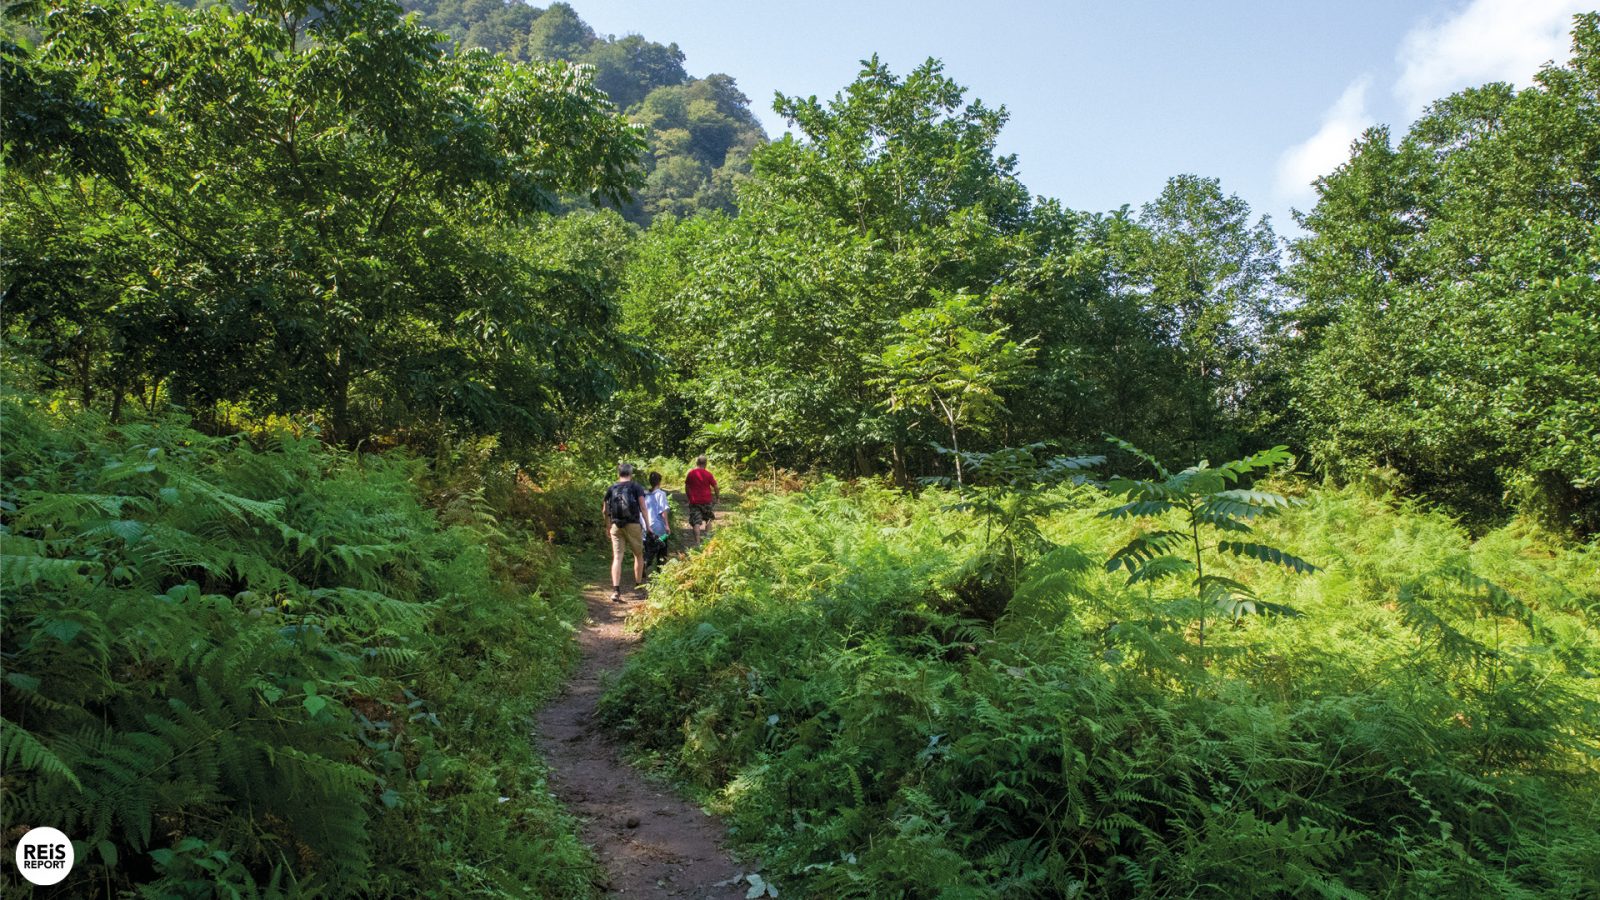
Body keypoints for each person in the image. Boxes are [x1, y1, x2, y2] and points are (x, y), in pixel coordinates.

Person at [602, 462, 647, 602]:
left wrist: (608, 526)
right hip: (633, 524)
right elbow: (643, 507)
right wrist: (648, 526)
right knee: (638, 555)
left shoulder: (612, 488)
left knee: (617, 557)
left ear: (618, 473)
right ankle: (639, 587)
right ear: (630, 473)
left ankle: (616, 591)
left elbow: (605, 510)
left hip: (616, 525)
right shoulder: (636, 487)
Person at [684, 454, 718, 545]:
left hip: (694, 501)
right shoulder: (708, 474)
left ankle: (697, 543)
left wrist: (689, 498)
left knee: (696, 522)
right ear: (705, 464)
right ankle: (707, 540)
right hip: (707, 501)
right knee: (709, 519)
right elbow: (715, 486)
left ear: (697, 463)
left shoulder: (691, 473)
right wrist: (717, 497)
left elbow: (687, 487)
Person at [643, 471, 671, 572]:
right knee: (662, 547)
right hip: (659, 527)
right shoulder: (661, 494)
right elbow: (663, 512)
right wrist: (667, 525)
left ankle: (645, 563)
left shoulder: (645, 494)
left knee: (649, 547)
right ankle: (660, 571)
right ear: (659, 482)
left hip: (647, 525)